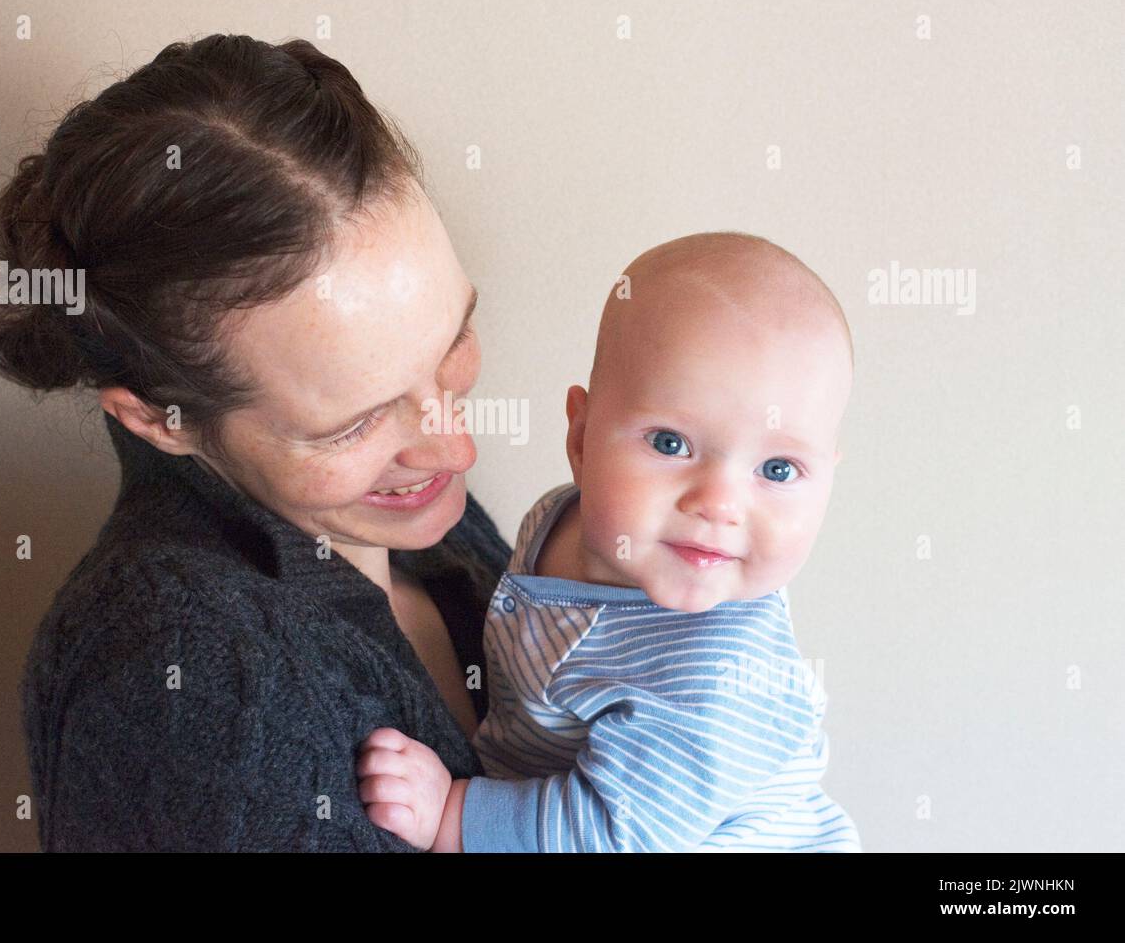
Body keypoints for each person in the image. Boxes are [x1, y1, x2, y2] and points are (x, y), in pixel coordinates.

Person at [0, 33, 511, 851]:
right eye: (354, 423)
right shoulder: (188, 683)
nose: (454, 451)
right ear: (162, 420)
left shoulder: (424, 527)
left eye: (452, 344)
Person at [357, 232, 864, 851]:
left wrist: (452, 814)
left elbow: (612, 834)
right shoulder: (559, 519)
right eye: (671, 443)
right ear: (581, 435)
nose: (721, 506)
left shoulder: (715, 678)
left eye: (778, 470)